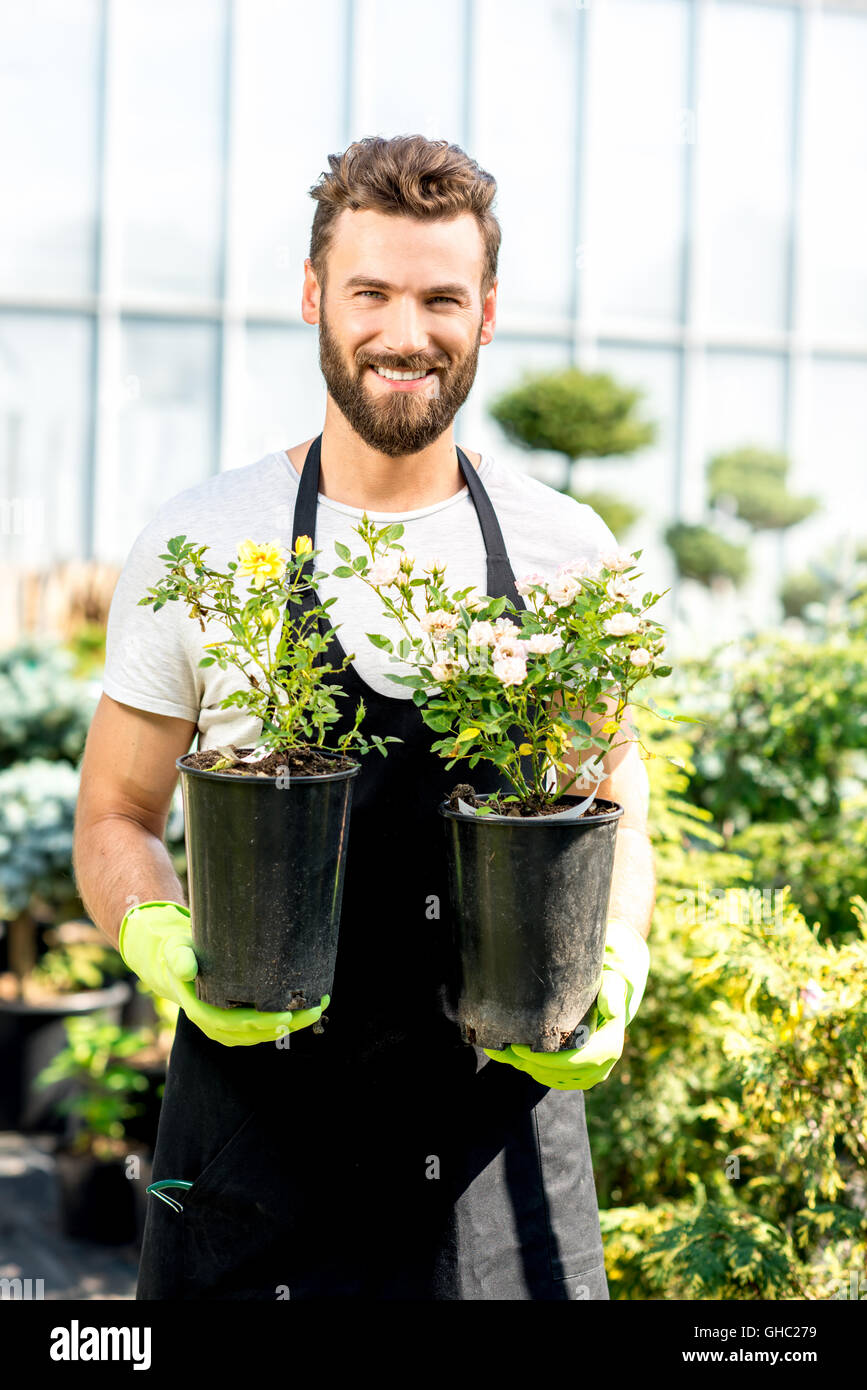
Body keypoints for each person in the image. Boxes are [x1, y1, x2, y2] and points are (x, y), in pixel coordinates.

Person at [73, 134, 655, 1301]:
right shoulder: (208, 540)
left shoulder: (565, 550)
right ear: (313, 298)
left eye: (442, 296)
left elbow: (611, 801)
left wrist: (620, 960)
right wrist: (155, 933)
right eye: (371, 292)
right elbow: (116, 812)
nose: (406, 331)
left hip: (498, 1164)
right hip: (252, 1163)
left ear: (486, 313)